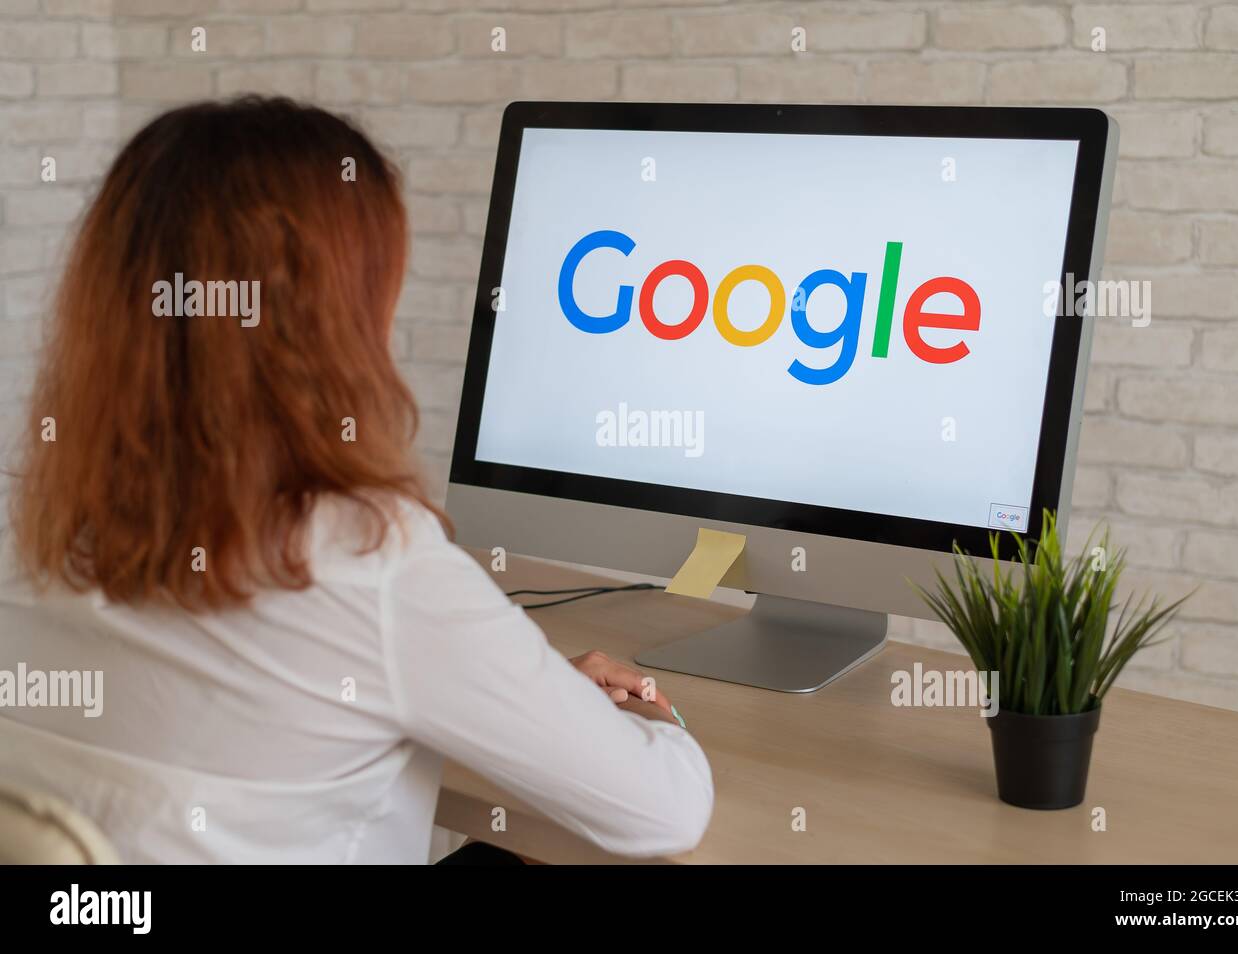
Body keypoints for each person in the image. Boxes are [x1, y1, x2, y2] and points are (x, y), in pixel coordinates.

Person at [0, 97, 713, 864]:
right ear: (330, 320)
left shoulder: (32, 522)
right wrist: (643, 717)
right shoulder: (373, 562)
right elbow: (664, 813)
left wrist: (518, 696)